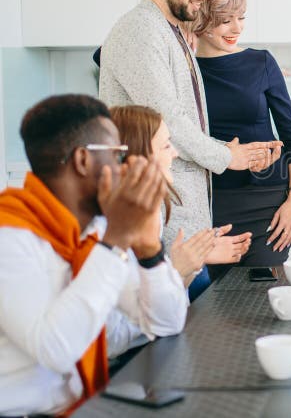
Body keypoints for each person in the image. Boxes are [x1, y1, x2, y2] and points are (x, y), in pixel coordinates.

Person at [99, 0, 282, 257]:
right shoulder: (140, 31)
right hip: (156, 220)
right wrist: (229, 156)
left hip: (181, 221)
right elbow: (170, 122)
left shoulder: (171, 32)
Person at [0, 95, 188, 416]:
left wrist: (148, 250)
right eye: (116, 155)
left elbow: (167, 323)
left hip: (84, 405)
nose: (123, 167)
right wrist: (116, 242)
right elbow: (55, 349)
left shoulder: (97, 230)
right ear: (84, 161)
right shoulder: (11, 237)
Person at [191, 0, 291, 276]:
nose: (237, 28)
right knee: (215, 302)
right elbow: (104, 53)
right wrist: (181, 27)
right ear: (202, 19)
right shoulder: (184, 67)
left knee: (263, 292)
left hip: (268, 203)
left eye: (240, 18)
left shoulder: (261, 62)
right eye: (224, 20)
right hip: (212, 204)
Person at [110, 105, 253, 299]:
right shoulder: (112, 230)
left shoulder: (151, 213)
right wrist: (178, 268)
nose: (175, 153)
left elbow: (172, 309)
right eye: (166, 145)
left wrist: (193, 262)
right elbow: (139, 321)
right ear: (138, 156)